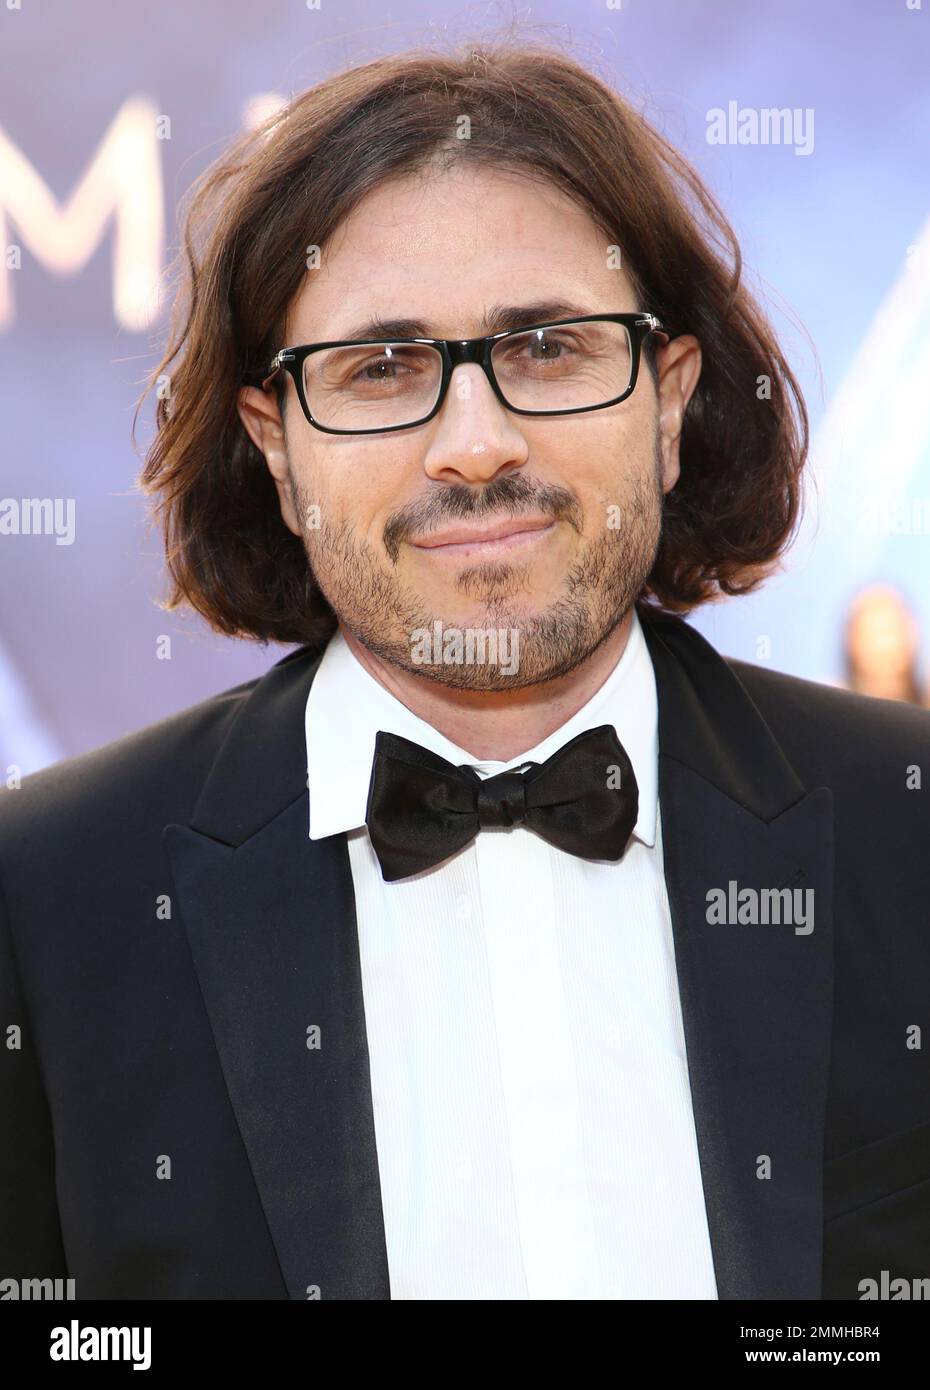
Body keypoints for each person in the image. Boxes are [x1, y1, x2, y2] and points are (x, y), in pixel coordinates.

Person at [1, 41, 928, 1302]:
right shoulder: (46, 895)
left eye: (547, 346)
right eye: (381, 369)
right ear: (276, 450)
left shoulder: (906, 826)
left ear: (667, 402)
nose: (477, 446)